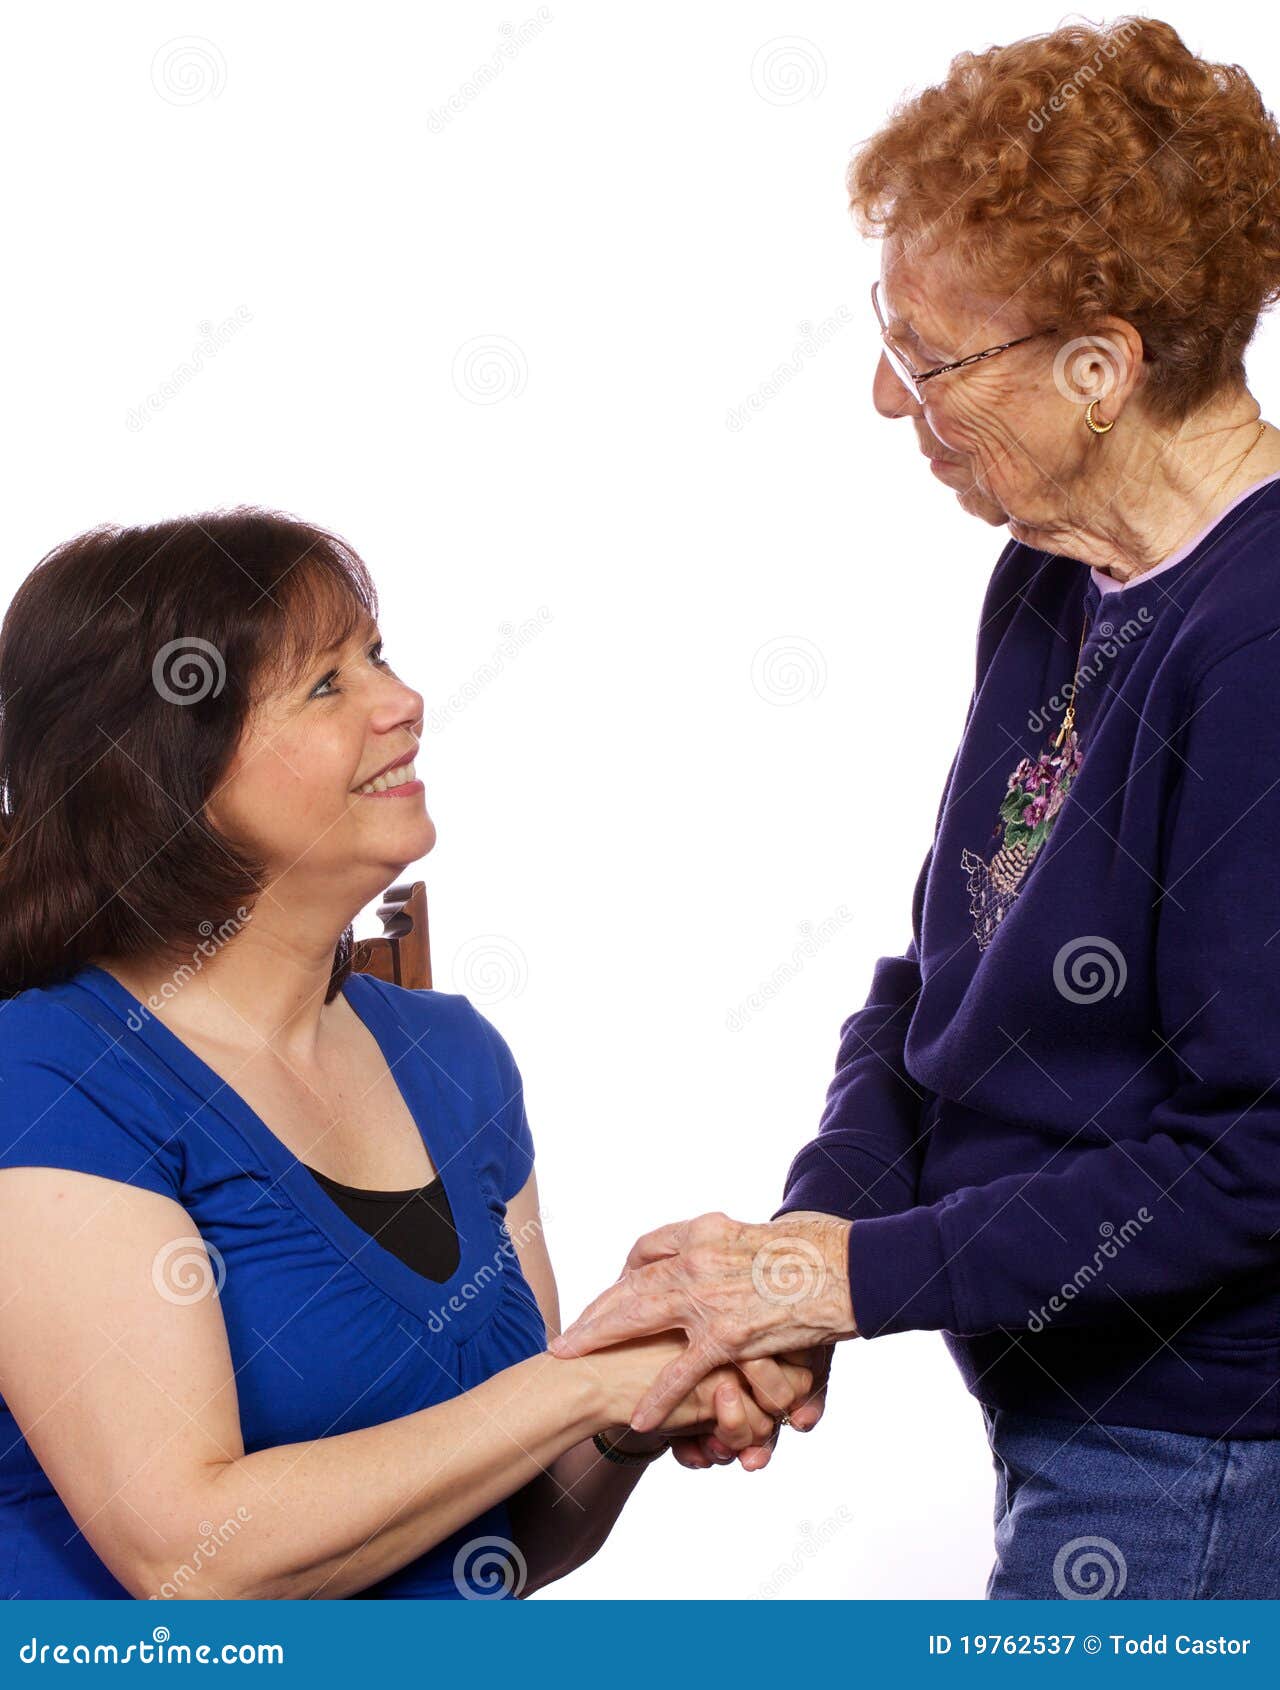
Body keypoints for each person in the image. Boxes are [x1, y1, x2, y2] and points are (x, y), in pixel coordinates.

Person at [550, 17, 1280, 1599]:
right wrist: (807, 1258)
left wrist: (846, 1275)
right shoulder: (1051, 577)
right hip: (1069, 1416)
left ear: (1103, 367)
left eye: (935, 356)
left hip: (1211, 1449)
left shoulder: (1263, 636)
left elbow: (1258, 1159)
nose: (892, 398)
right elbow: (938, 995)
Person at [0, 507, 816, 1599]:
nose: (405, 704)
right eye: (327, 685)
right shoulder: (49, 1073)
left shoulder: (454, 1058)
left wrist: (650, 1377)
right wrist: (574, 1387)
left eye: (374, 656)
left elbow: (505, 1542)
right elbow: (190, 1563)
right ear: (161, 776)